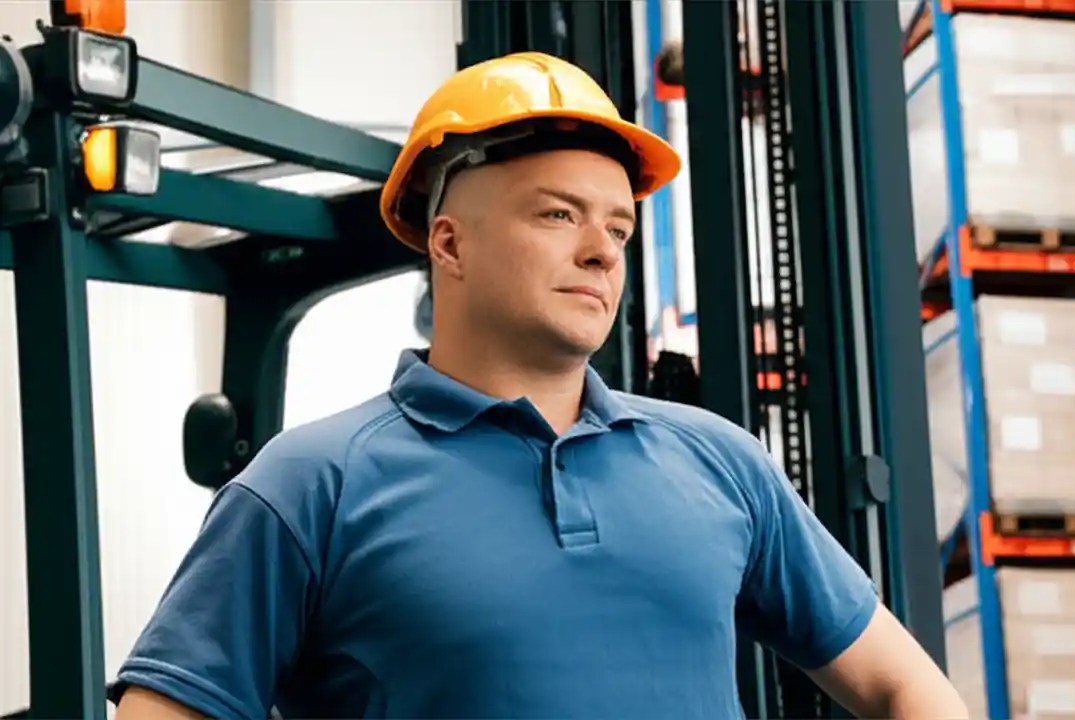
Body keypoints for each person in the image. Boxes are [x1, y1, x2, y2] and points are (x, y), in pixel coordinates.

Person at [110, 52, 968, 719]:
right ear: (448, 245)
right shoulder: (307, 487)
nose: (601, 251)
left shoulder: (720, 462)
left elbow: (908, 690)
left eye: (619, 228)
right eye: (558, 214)